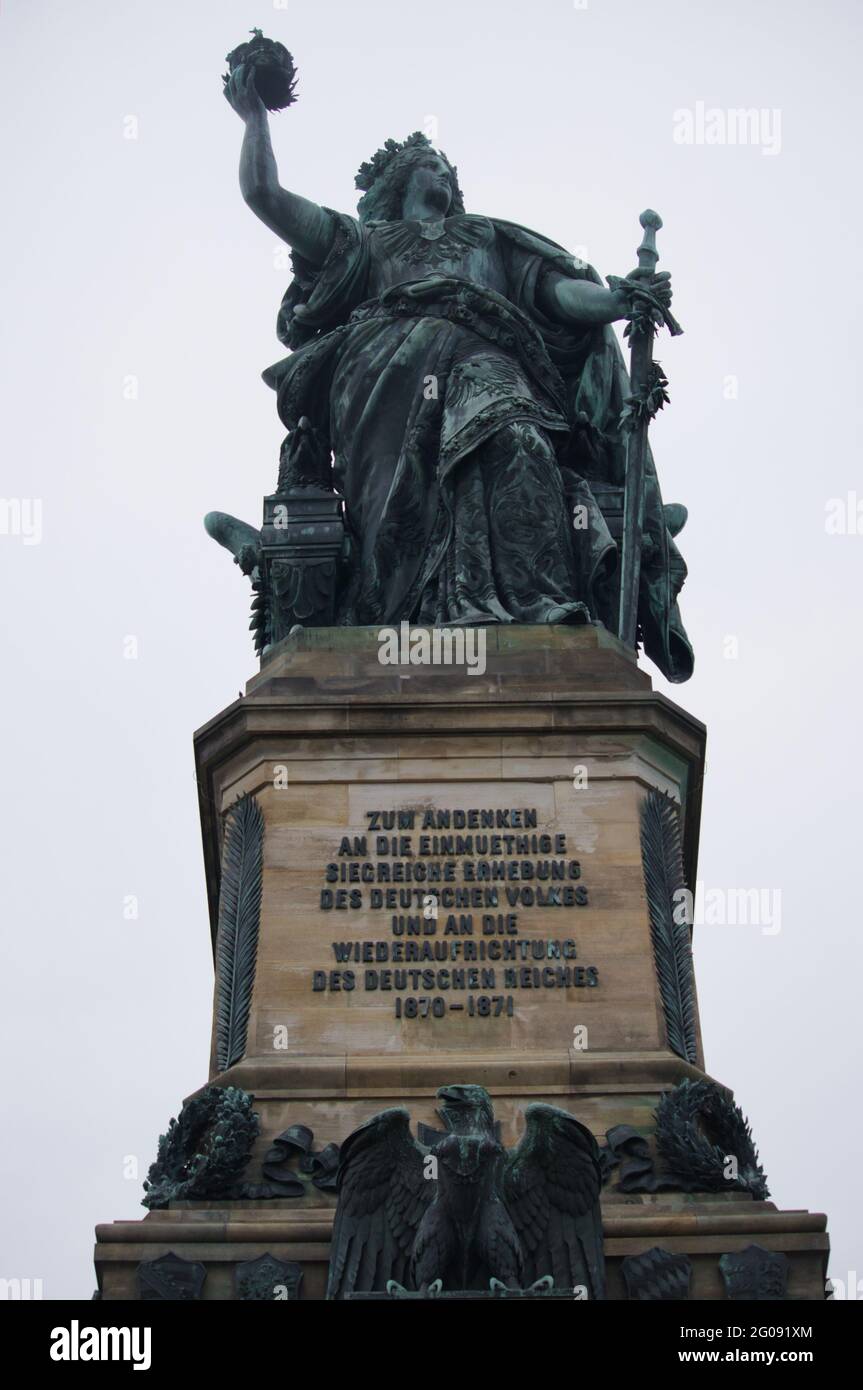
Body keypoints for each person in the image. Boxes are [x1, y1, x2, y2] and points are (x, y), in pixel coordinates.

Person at [223, 65, 692, 680]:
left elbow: (556, 294)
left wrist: (617, 301)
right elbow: (266, 196)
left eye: (448, 167)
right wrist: (254, 116)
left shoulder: (487, 237)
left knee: (519, 439)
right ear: (398, 180)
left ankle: (533, 607)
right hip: (382, 373)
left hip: (487, 356)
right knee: (396, 509)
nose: (441, 171)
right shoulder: (365, 243)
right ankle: (396, 615)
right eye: (427, 164)